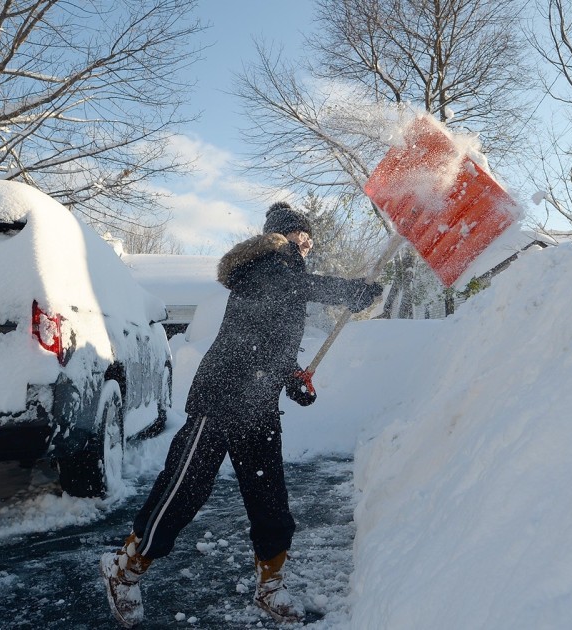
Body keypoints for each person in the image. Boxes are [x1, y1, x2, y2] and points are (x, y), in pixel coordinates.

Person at [101, 201, 385, 627]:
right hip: (221, 398)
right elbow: (289, 286)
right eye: (302, 235)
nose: (308, 244)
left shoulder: (287, 277)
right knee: (184, 489)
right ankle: (125, 569)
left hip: (258, 404)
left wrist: (291, 378)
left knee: (270, 499)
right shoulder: (264, 266)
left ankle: (270, 583)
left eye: (309, 238)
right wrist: (349, 291)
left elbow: (270, 341)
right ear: (281, 235)